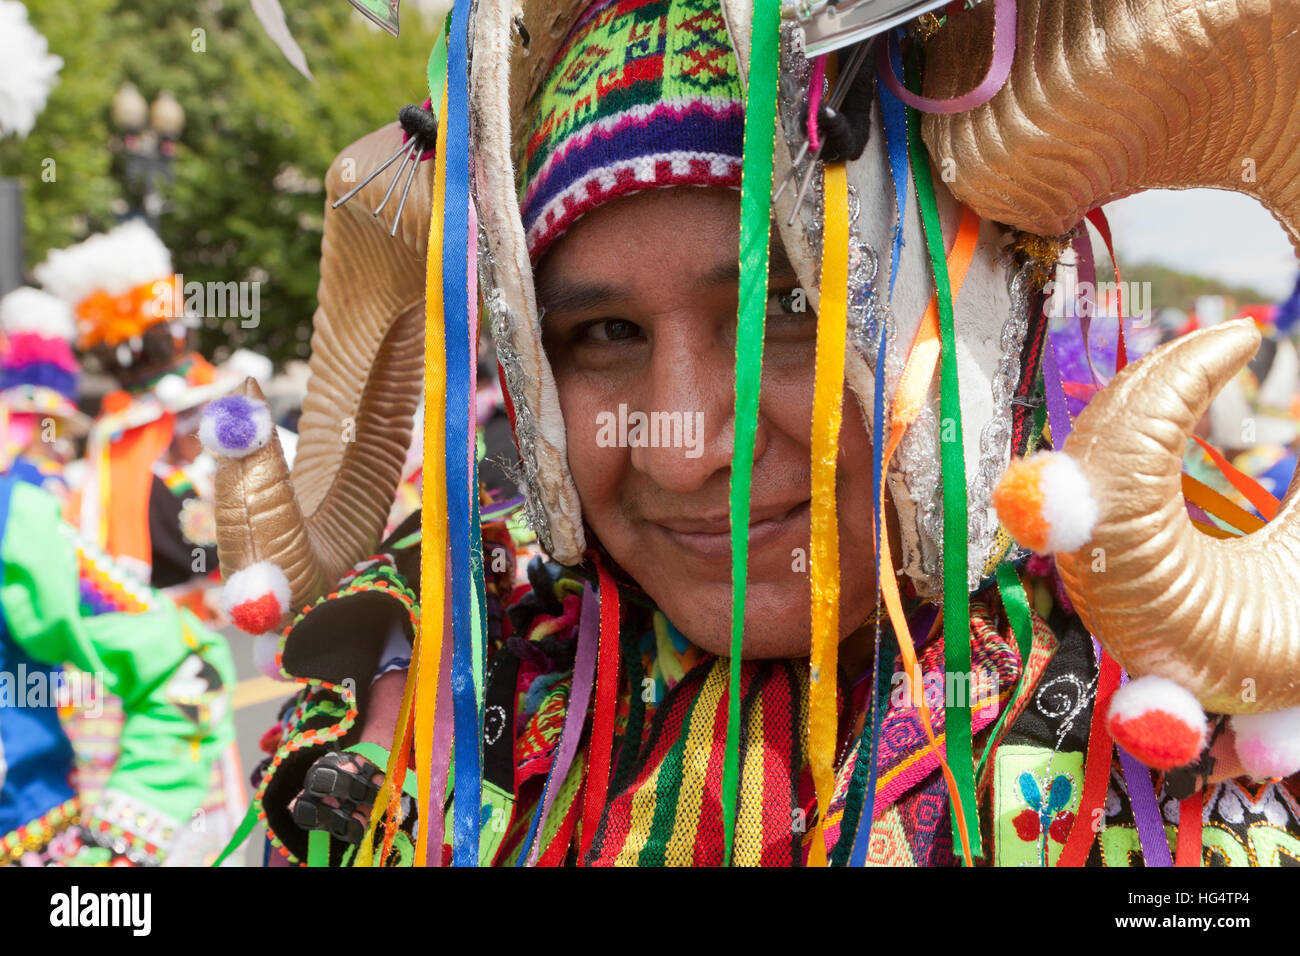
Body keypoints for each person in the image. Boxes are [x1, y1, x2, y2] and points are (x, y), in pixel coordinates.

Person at [209, 0, 1300, 866]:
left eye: (792, 307)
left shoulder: (1207, 762)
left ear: (981, 325)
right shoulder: (433, 719)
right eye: (602, 332)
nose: (687, 451)